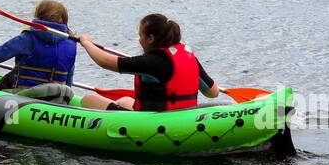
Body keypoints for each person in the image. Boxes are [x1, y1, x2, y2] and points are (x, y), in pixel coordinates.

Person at [76, 13, 221, 111]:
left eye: (141, 35)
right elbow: (213, 93)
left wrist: (86, 43)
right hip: (183, 116)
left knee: (88, 99)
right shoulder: (189, 58)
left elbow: (105, 61)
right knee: (125, 100)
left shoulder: (152, 62)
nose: (139, 40)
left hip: (157, 120)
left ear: (150, 38)